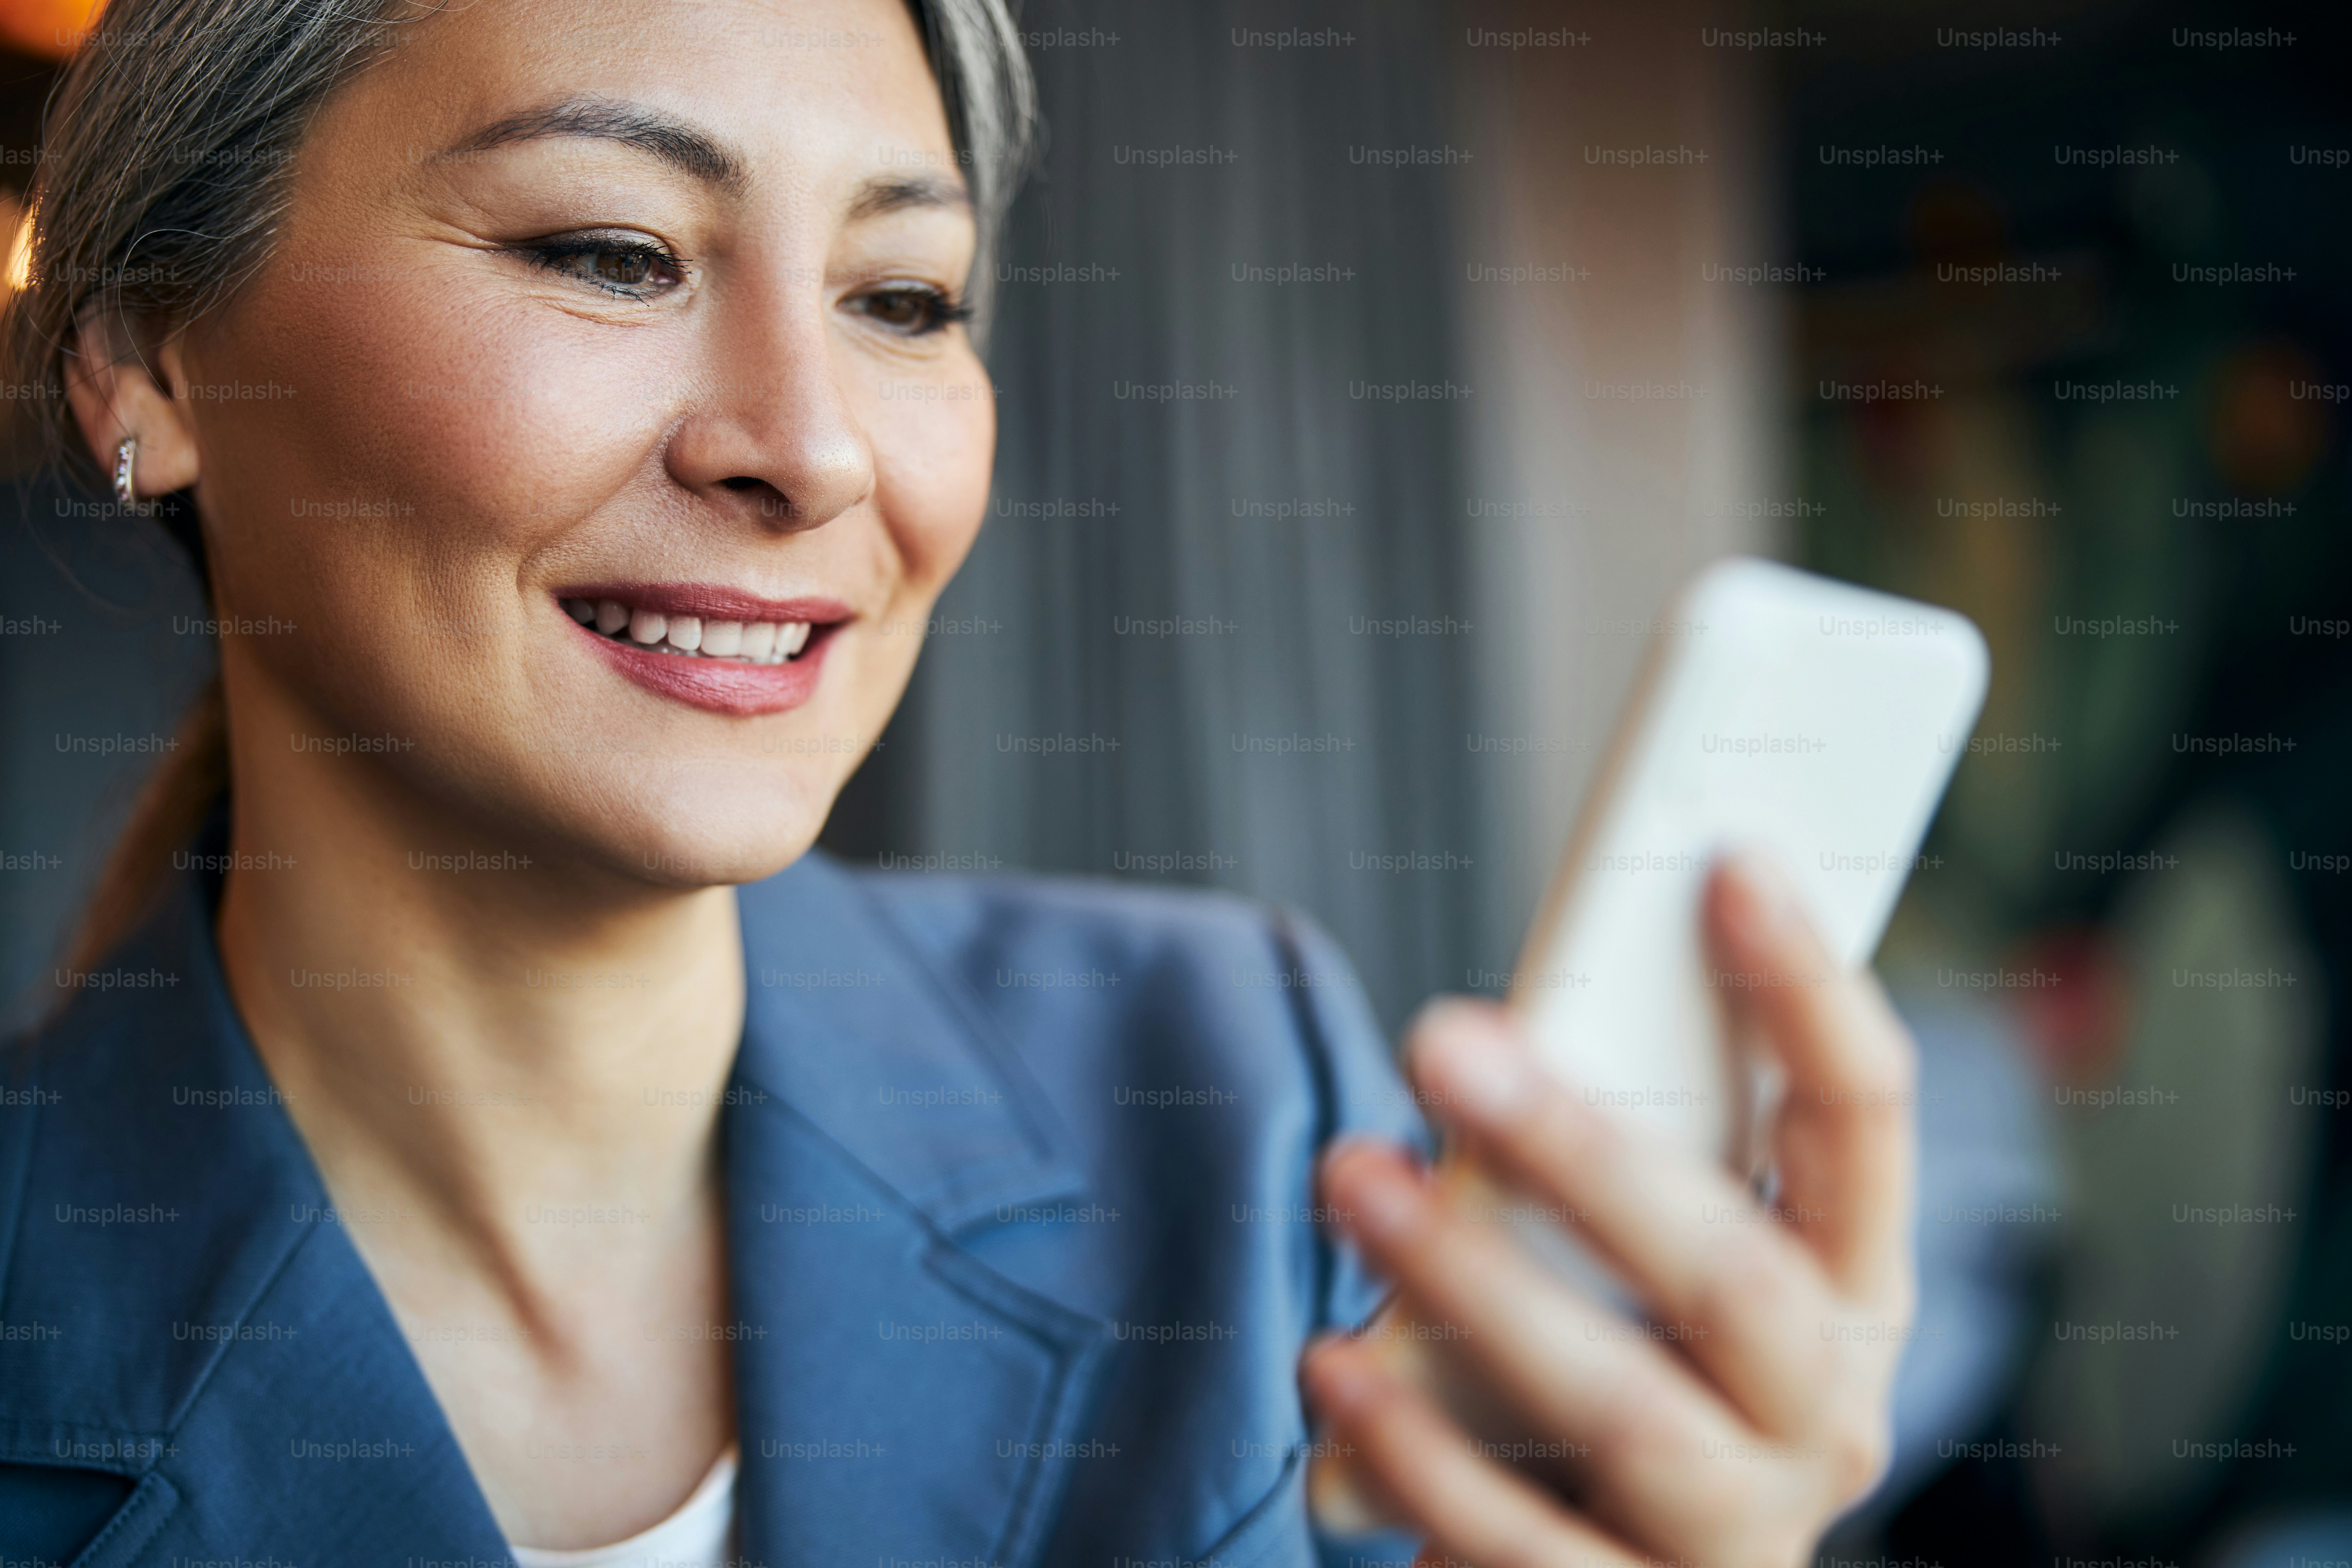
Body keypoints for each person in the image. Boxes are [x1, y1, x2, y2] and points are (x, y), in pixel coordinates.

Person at [0, 1, 1922, 1563]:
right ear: (147, 363)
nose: (813, 451)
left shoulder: (1230, 1093)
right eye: (612, 252)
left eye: (903, 298)